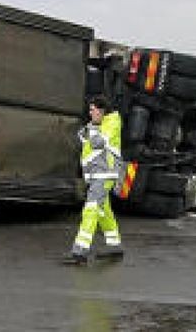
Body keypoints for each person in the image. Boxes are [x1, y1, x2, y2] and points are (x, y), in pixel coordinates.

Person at [64, 96, 124, 265]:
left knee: (90, 210)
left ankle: (79, 251)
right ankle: (115, 246)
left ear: (102, 110)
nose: (90, 113)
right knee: (104, 212)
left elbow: (97, 143)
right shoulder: (100, 125)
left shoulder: (111, 123)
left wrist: (92, 129)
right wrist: (89, 131)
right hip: (98, 174)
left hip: (104, 174)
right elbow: (84, 139)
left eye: (93, 110)